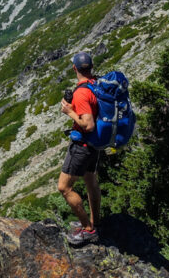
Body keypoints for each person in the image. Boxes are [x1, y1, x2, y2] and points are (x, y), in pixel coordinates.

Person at [57, 51, 101, 246]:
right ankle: (95, 222)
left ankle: (88, 229)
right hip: (94, 145)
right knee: (91, 181)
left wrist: (70, 112)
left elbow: (88, 124)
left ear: (74, 68)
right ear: (91, 67)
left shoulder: (82, 93)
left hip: (82, 145)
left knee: (64, 187)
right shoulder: (95, 84)